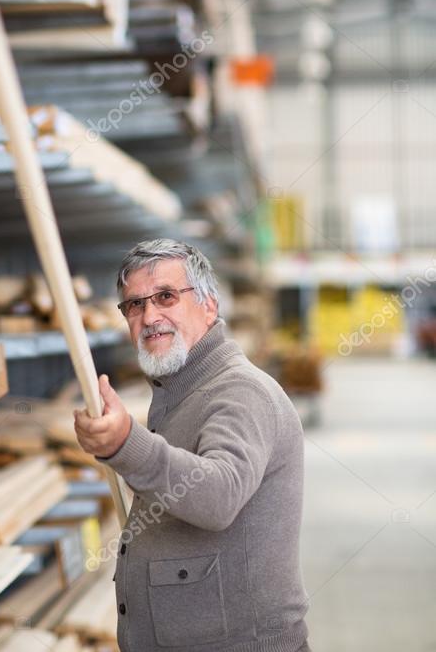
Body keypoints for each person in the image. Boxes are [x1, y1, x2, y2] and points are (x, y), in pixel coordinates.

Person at [73, 239, 311, 652]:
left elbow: (218, 496)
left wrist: (126, 443)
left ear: (209, 306)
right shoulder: (179, 393)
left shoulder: (239, 391)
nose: (149, 316)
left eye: (166, 296)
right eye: (134, 305)